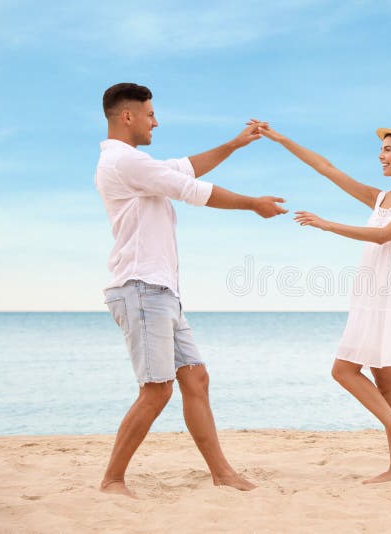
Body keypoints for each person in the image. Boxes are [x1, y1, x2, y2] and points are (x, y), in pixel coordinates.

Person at [95, 83, 287, 497]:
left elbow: (186, 168)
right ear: (126, 116)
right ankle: (112, 480)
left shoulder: (136, 163)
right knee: (157, 389)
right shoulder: (124, 162)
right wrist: (253, 203)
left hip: (159, 290)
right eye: (149, 114)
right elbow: (192, 190)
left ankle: (222, 473)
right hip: (141, 288)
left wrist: (235, 145)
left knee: (195, 378)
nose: (155, 121)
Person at [252, 119, 391, 483]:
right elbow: (326, 168)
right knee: (386, 384)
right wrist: (280, 138)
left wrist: (327, 224)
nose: (380, 155)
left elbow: (384, 235)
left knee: (343, 370)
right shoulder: (380, 198)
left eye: (387, 149)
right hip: (370, 295)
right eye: (382, 148)